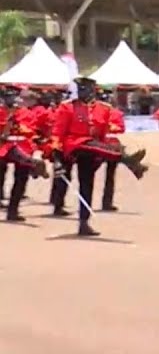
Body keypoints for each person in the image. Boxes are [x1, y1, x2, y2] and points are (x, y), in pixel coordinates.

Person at [49, 76, 143, 236]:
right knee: (90, 145)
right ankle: (127, 160)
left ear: (93, 90)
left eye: (86, 89)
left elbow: (103, 136)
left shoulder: (103, 109)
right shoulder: (68, 108)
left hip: (92, 150)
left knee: (87, 186)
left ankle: (84, 223)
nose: (82, 92)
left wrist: (107, 152)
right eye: (80, 89)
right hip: (73, 146)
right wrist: (57, 160)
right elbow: (57, 133)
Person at [1, 87, 47, 222]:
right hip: (3, 147)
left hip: (22, 147)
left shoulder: (26, 113)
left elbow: (30, 131)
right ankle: (33, 164)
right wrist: (8, 122)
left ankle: (13, 210)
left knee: (21, 179)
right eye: (8, 96)